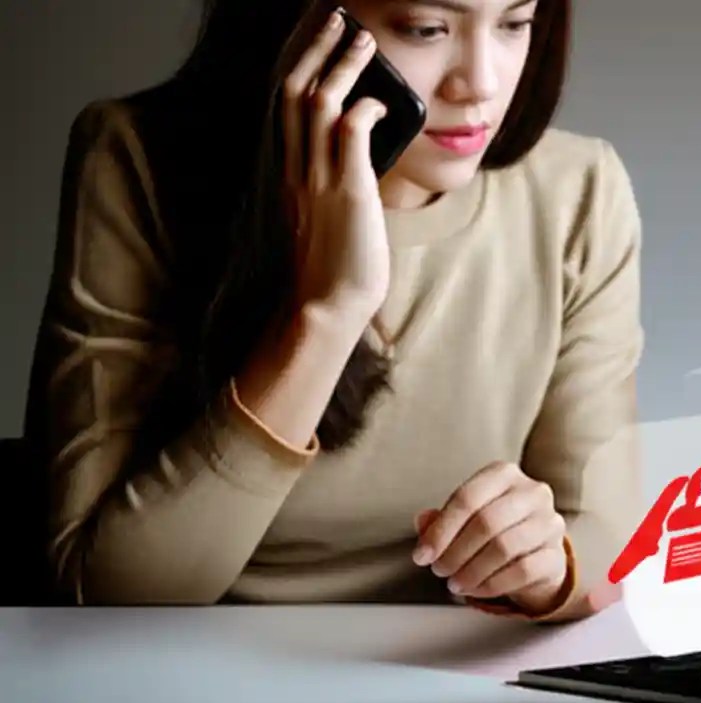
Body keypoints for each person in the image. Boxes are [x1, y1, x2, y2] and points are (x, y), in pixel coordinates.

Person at [22, 0, 644, 623]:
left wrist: (546, 566)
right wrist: (327, 313)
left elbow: (609, 543)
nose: (480, 82)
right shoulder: (138, 158)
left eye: (514, 23)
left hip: (448, 671)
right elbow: (104, 592)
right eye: (426, 29)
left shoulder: (577, 190)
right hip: (199, 669)